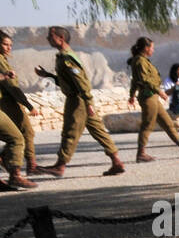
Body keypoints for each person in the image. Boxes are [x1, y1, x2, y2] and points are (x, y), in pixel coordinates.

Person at [33, 25, 124, 177]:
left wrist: (88, 102)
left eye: (51, 36)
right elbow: (67, 81)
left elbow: (81, 81)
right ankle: (117, 161)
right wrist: (47, 75)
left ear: (61, 38)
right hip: (82, 99)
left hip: (77, 101)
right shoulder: (64, 56)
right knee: (99, 131)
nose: (48, 39)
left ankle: (60, 166)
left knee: (70, 132)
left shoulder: (67, 57)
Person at [127, 37, 179, 162]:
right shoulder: (139, 61)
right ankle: (141, 153)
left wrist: (132, 95)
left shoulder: (142, 60)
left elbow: (134, 80)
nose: (153, 50)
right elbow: (143, 80)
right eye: (152, 48)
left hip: (152, 97)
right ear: (146, 48)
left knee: (167, 123)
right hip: (148, 96)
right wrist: (160, 91)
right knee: (147, 124)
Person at [0, 30, 39, 183]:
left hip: (8, 101)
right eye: (5, 44)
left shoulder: (4, 59)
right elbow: (11, 87)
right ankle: (25, 167)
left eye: (10, 45)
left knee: (18, 135)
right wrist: (29, 106)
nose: (9, 48)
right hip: (8, 102)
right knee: (23, 134)